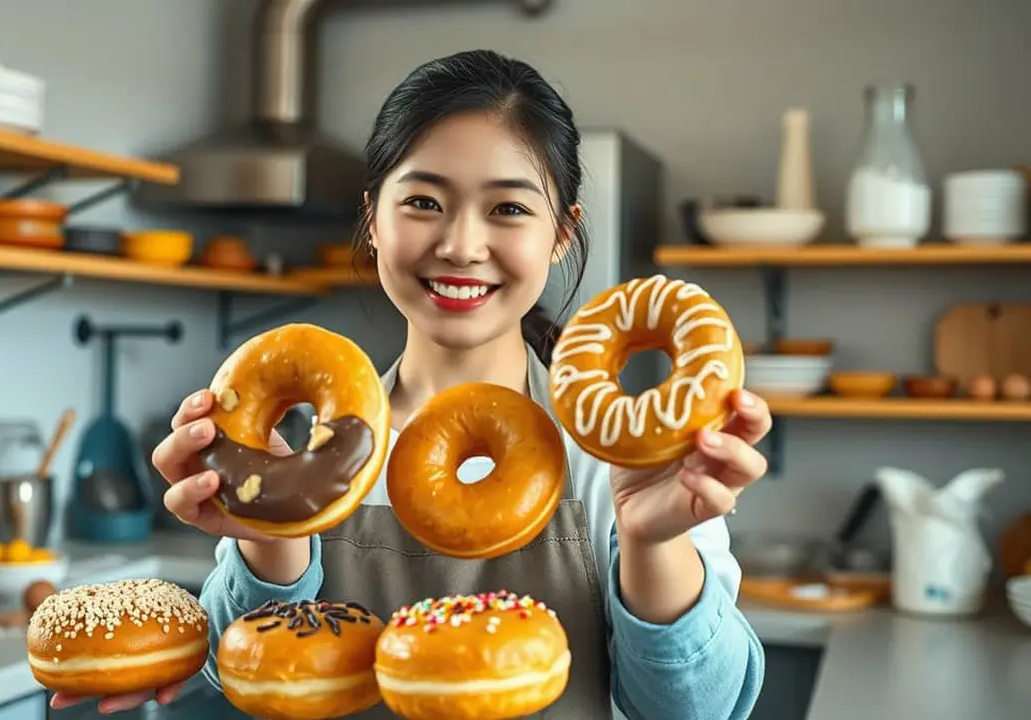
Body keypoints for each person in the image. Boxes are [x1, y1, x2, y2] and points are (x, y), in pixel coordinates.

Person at [55, 48, 769, 718]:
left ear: (560, 233)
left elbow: (695, 708)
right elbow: (250, 677)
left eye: (509, 207)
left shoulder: (618, 459)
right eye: (424, 201)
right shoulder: (305, 459)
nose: (460, 244)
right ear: (372, 217)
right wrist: (272, 541)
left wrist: (652, 543)